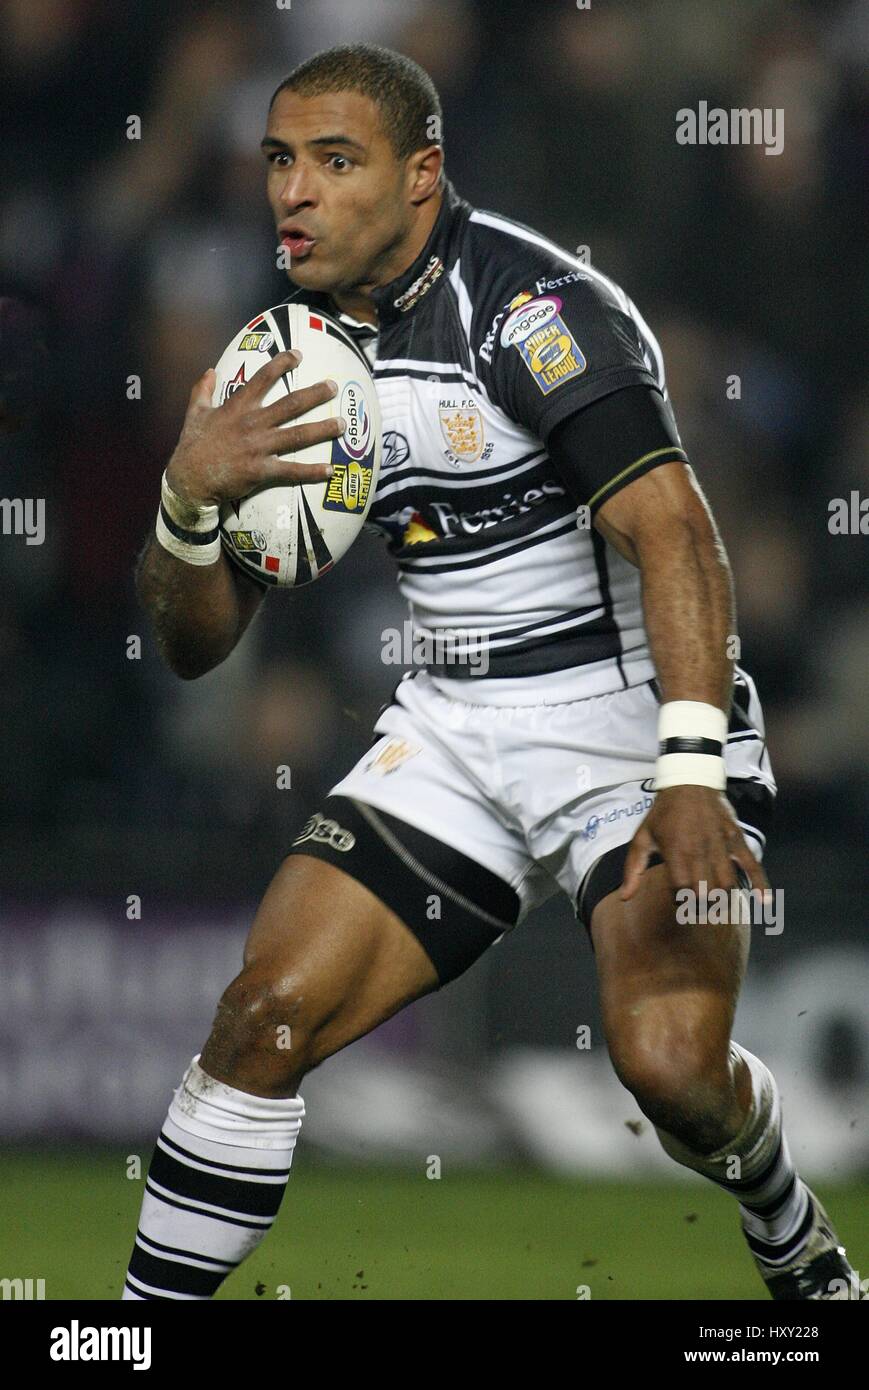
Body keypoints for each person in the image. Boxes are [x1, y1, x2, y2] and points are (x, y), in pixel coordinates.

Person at [123, 44, 858, 1301]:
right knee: (259, 1020)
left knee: (672, 1066)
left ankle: (788, 1229)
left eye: (334, 162)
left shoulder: (532, 310)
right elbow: (196, 644)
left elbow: (678, 531)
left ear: (422, 178)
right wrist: (188, 504)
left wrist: (690, 771)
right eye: (280, 162)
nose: (293, 193)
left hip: (632, 719)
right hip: (457, 725)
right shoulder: (285, 356)